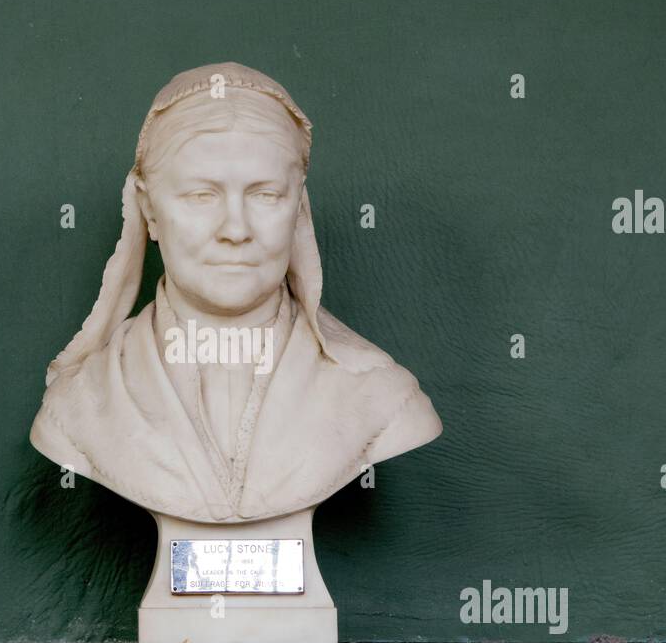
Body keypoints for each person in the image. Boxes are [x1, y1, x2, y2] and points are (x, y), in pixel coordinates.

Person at [30, 62, 441, 523]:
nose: (235, 229)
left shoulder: (379, 395)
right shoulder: (83, 402)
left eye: (265, 195)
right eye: (201, 196)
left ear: (297, 206)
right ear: (148, 210)